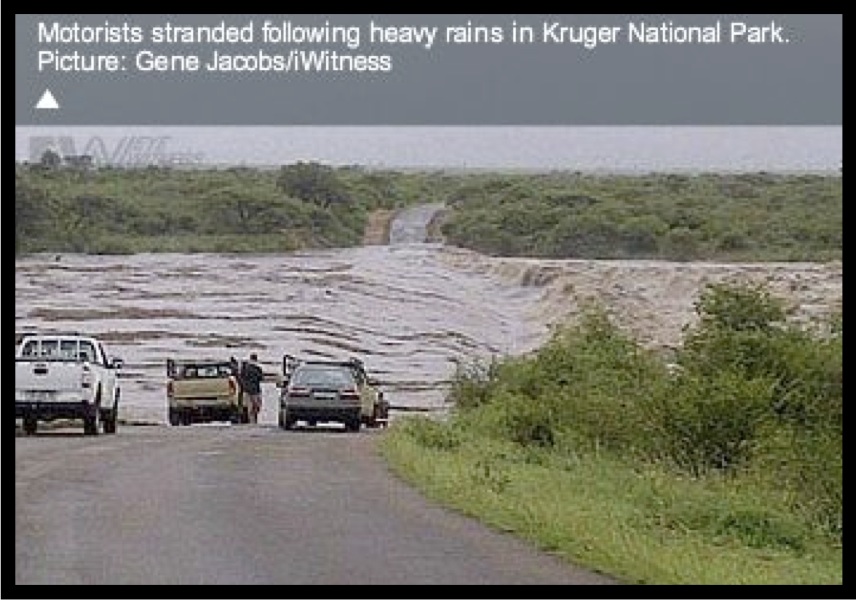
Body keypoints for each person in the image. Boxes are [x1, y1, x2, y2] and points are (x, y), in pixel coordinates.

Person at [240, 353, 265, 424]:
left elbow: (242, 377)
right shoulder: (257, 368)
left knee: (251, 407)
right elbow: (261, 378)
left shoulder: (245, 368)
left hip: (248, 390)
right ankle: (253, 421)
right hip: (256, 390)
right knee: (256, 407)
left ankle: (252, 421)